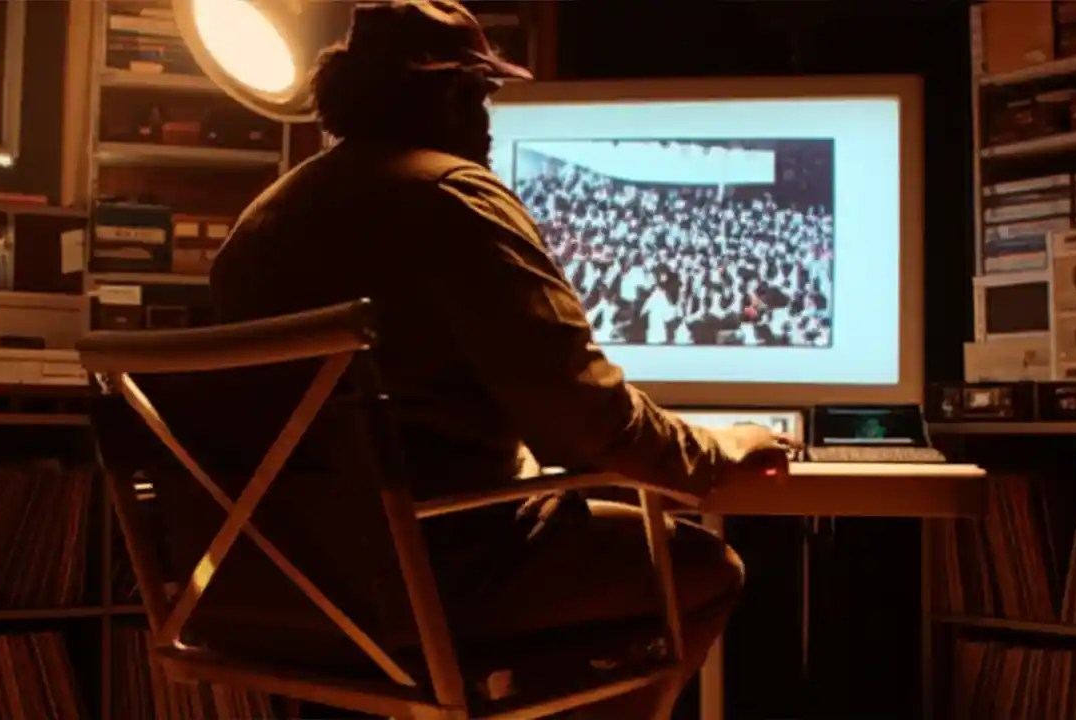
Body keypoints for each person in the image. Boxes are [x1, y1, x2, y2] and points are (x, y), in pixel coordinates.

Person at [207, 1, 793, 716]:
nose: (488, 121)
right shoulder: (455, 196)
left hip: (275, 586)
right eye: (480, 95)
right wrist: (721, 448)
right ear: (450, 94)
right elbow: (587, 424)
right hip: (434, 574)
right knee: (700, 569)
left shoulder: (261, 218)